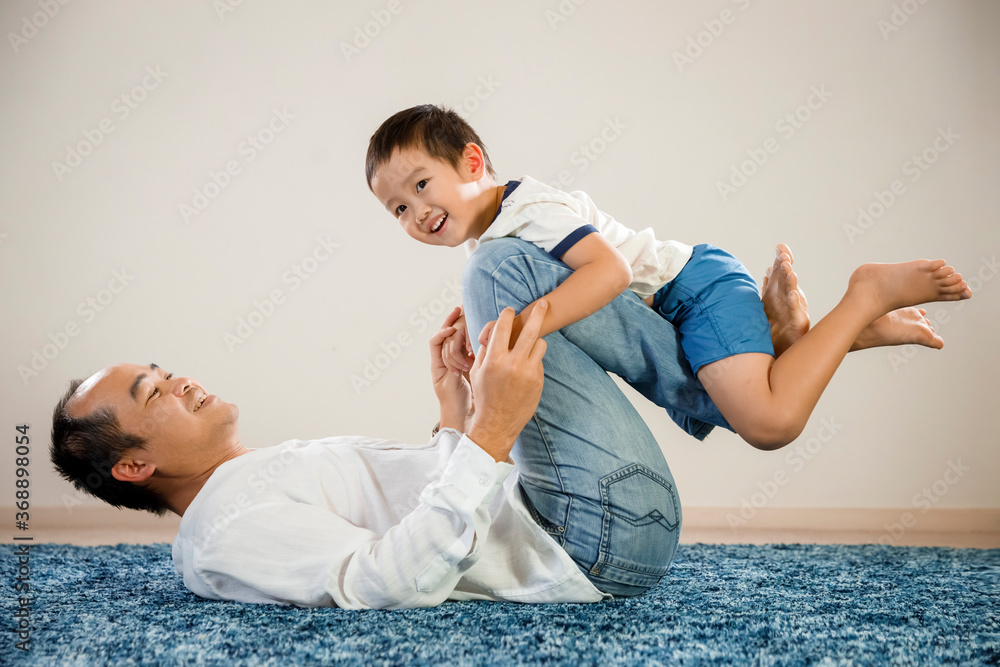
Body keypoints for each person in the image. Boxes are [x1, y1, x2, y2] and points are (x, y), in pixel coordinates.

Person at [50, 238, 748, 608]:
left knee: (514, 268)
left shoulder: (246, 480)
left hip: (589, 522)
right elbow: (385, 580)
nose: (179, 379)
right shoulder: (224, 530)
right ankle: (737, 384)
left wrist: (455, 414)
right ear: (133, 466)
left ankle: (740, 373)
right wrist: (489, 434)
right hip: (586, 538)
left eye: (162, 370)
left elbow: (416, 514)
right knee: (499, 271)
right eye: (152, 392)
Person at [365, 104, 973, 450]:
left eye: (421, 185)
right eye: (397, 208)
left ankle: (863, 295)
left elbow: (611, 272)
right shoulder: (491, 246)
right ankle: (798, 333)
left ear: (472, 160)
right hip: (673, 312)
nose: (416, 211)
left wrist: (531, 320)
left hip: (694, 289)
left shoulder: (527, 210)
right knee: (734, 404)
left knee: (768, 423)